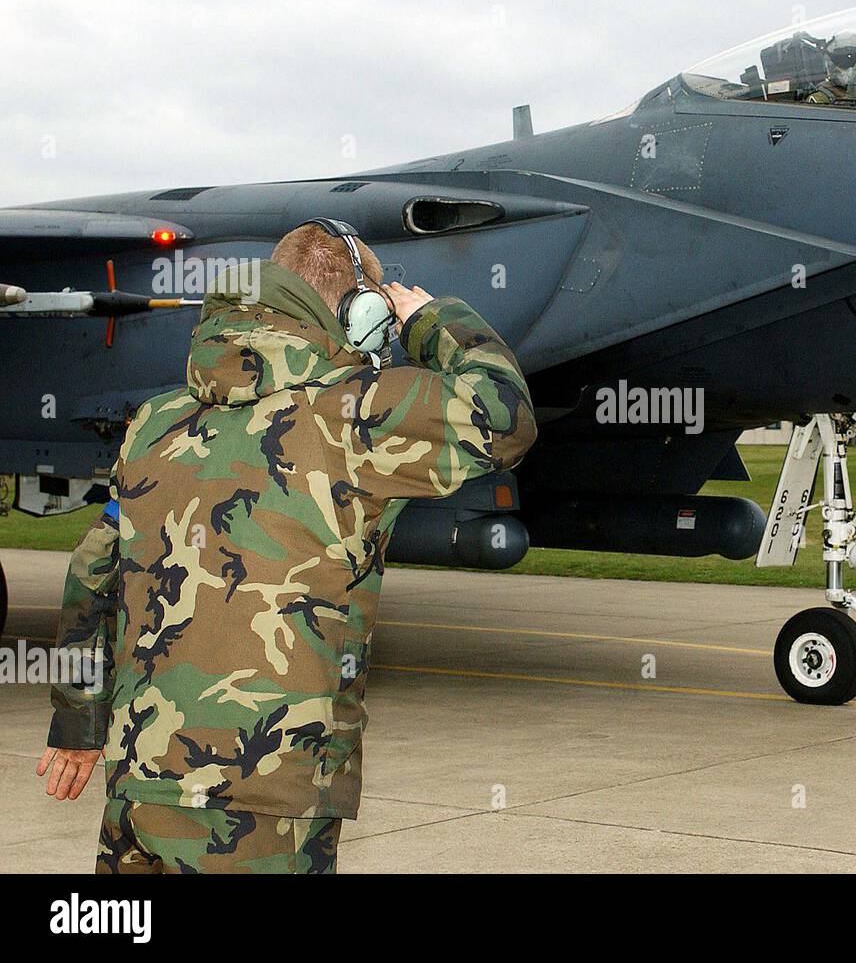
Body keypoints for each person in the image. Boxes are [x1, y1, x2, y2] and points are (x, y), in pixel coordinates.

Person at [37, 221, 537, 873]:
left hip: (140, 784)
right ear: (358, 311)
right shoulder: (359, 416)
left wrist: (78, 726)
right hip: (270, 796)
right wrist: (429, 318)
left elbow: (91, 570)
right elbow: (505, 418)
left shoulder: (154, 422)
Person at [807, 31, 856, 105]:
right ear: (831, 62)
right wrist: (850, 99)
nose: (852, 69)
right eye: (845, 61)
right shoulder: (819, 98)